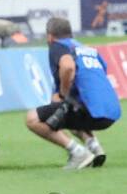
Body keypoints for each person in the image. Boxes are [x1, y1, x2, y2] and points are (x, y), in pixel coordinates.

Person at [25, 17, 119, 168]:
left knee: (32, 119)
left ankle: (77, 152)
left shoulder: (58, 46)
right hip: (111, 112)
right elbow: (101, 70)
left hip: (91, 111)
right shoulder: (87, 49)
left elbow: (68, 67)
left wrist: (63, 94)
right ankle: (94, 146)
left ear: (49, 36)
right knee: (65, 110)